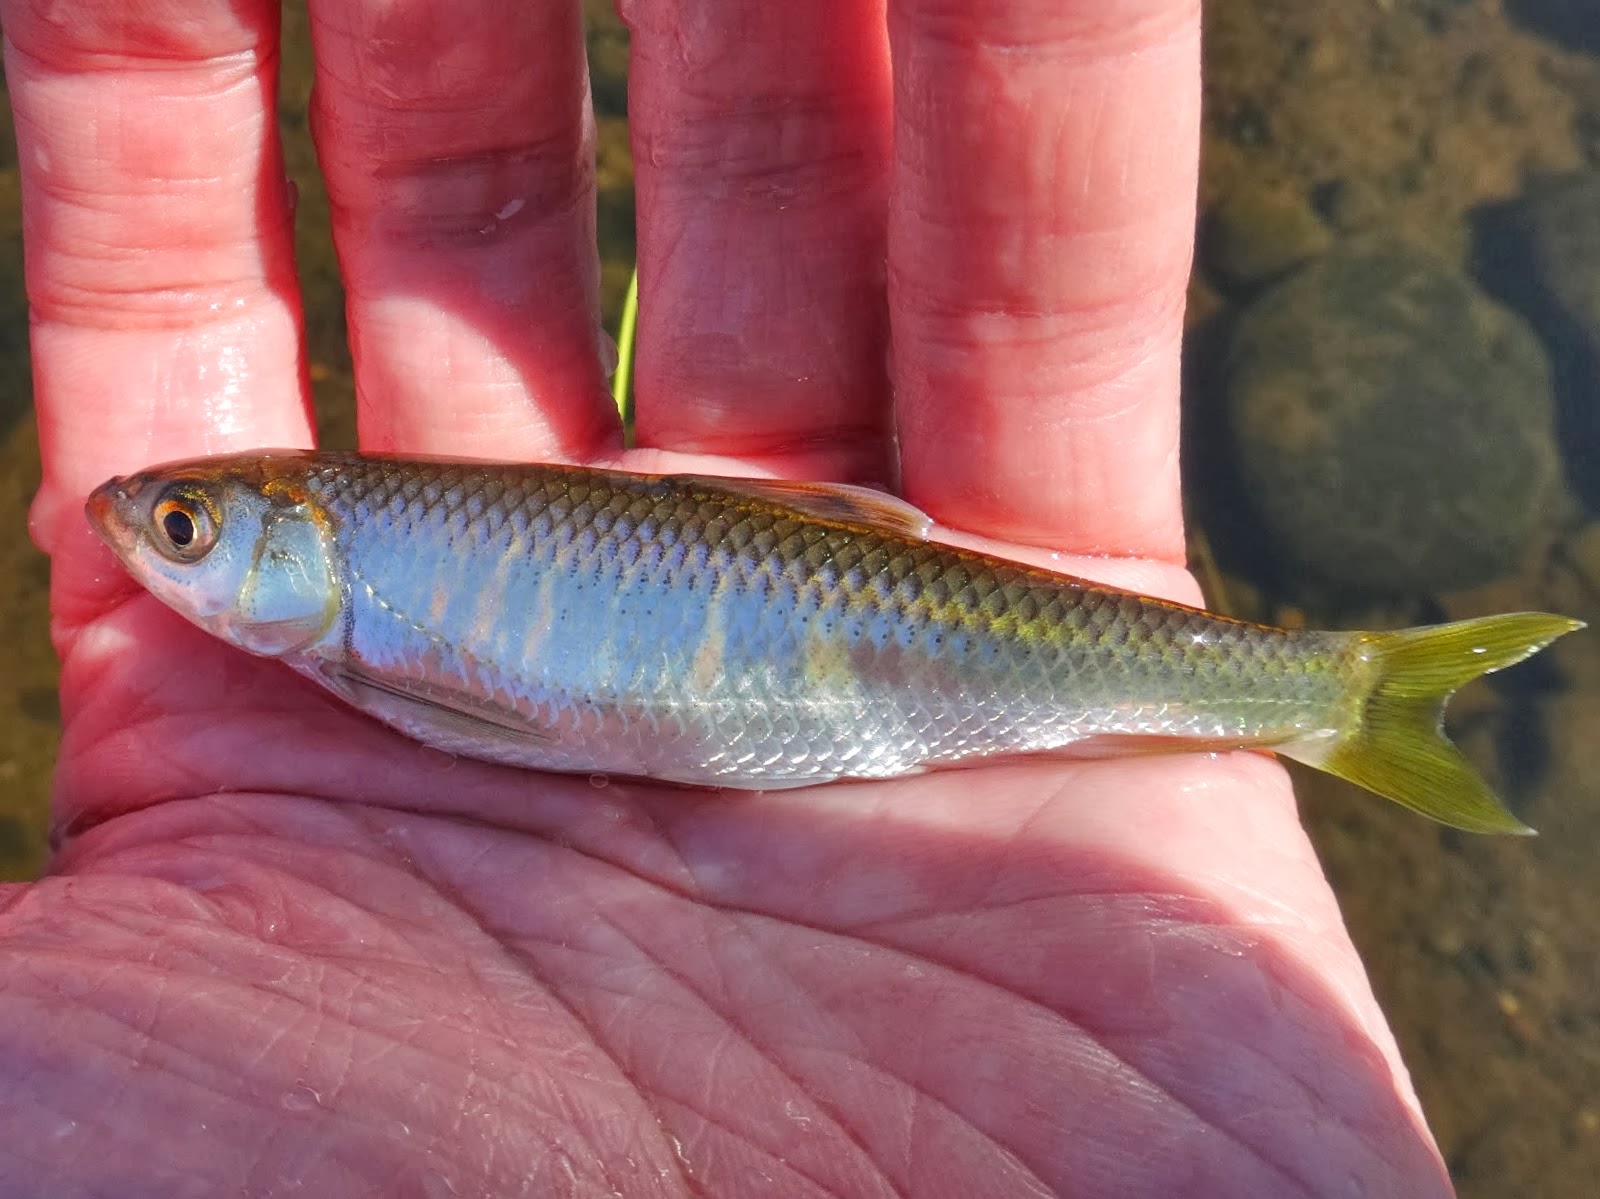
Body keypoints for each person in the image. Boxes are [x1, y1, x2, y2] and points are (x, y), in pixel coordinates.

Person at [0, 0, 1456, 1194]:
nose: (152, 543)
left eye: (183, 528)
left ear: (301, 542)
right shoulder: (360, 615)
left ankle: (1336, 697)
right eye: (183, 529)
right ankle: (1334, 696)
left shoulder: (371, 623)